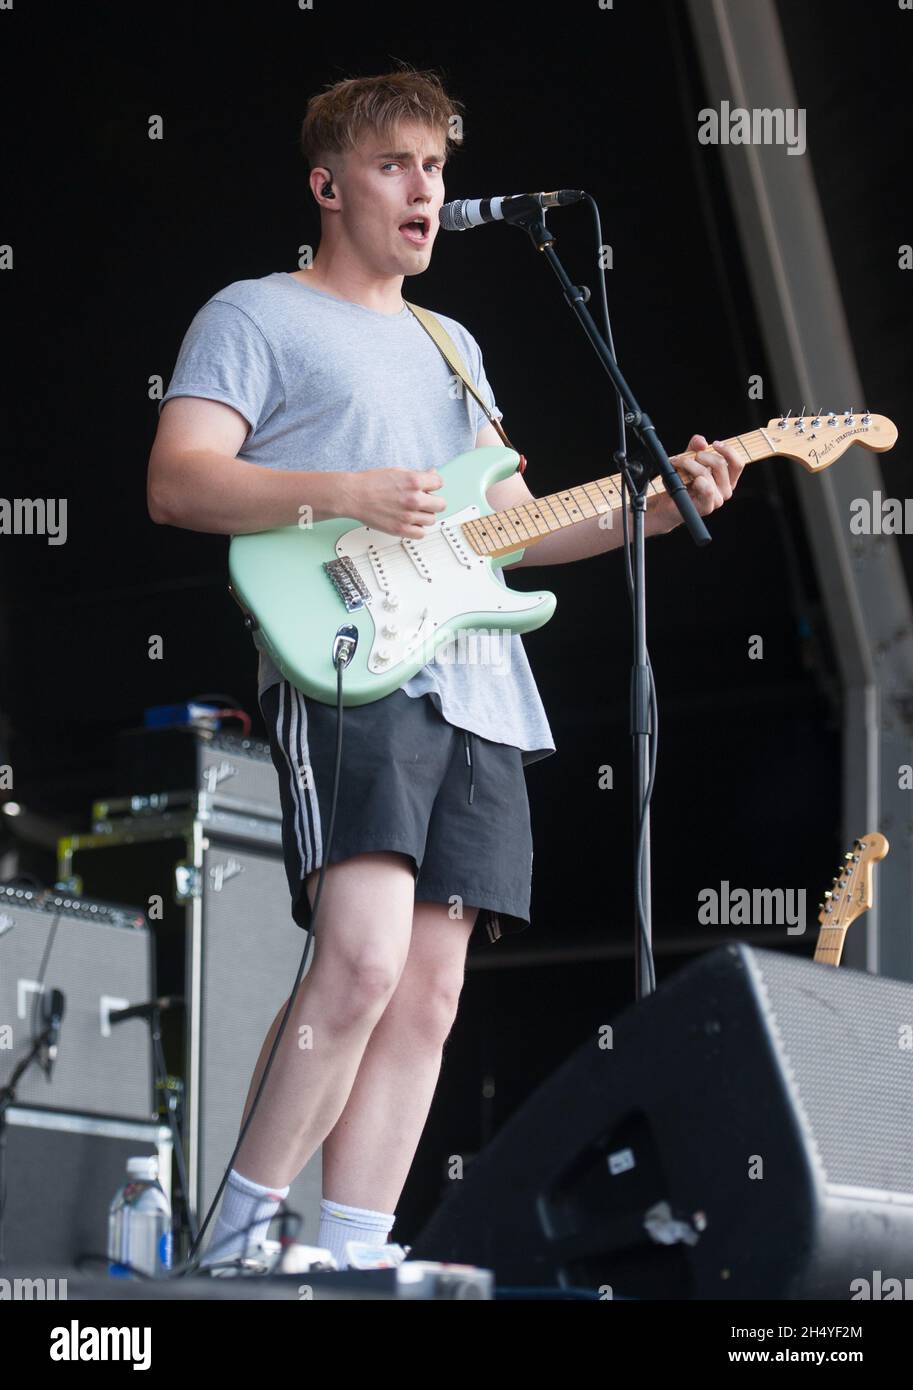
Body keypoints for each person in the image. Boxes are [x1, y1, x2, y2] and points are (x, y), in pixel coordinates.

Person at [147, 65, 744, 1272]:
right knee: (360, 957)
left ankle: (358, 1243)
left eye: (436, 166)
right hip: (351, 658)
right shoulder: (255, 314)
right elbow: (178, 480)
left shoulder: (452, 340)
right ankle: (240, 1239)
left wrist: (657, 509)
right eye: (394, 165)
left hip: (477, 681)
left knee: (428, 990)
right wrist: (346, 489)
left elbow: (514, 525)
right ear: (328, 185)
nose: (424, 188)